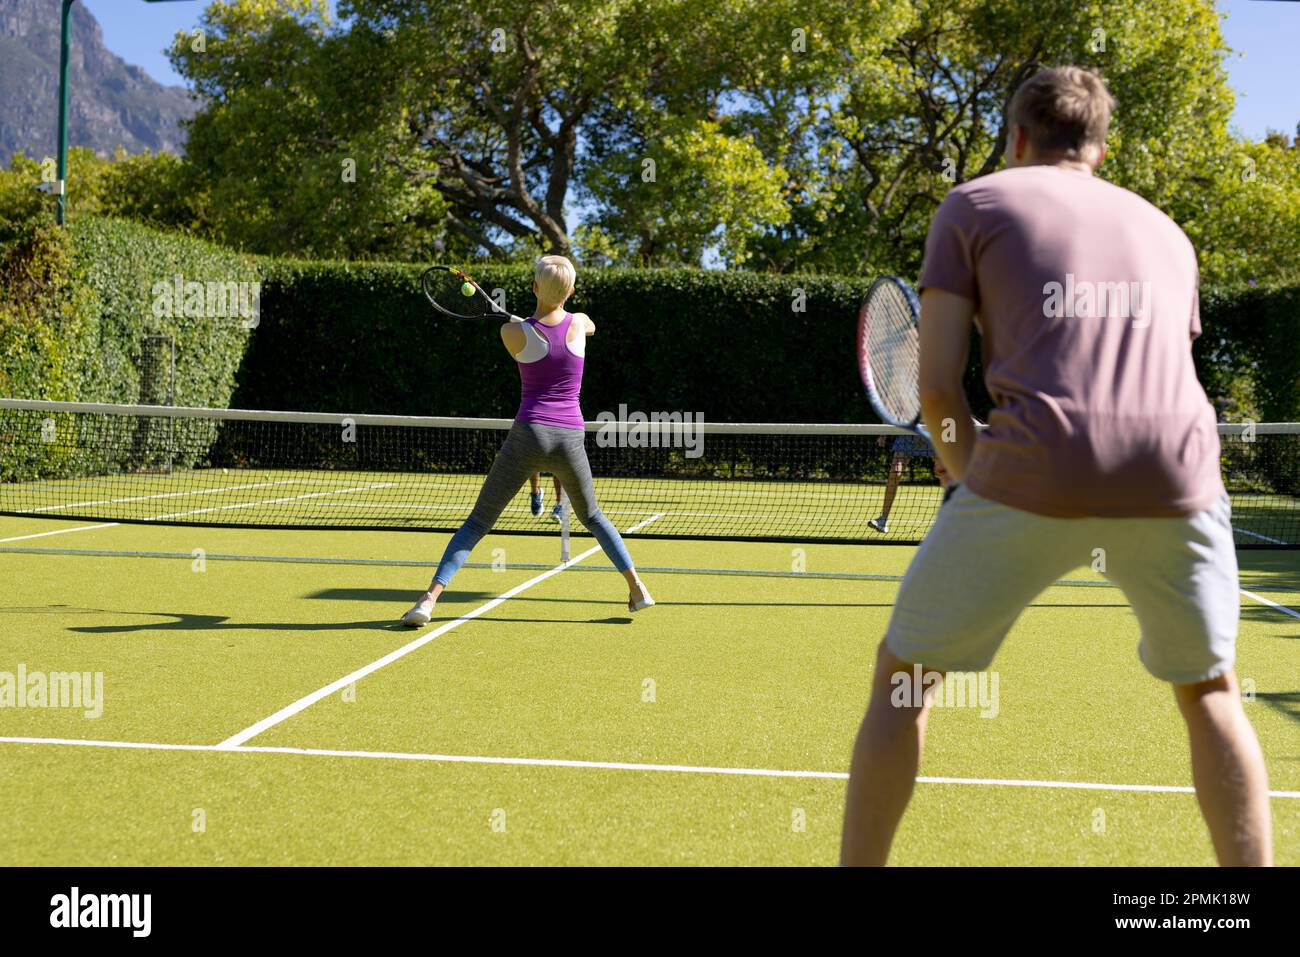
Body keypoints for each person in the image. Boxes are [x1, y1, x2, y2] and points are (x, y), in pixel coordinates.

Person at [840, 66, 1271, 866]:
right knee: (1213, 691)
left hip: (1032, 468)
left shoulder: (973, 203)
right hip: (1180, 471)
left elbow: (936, 386)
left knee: (903, 681)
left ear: (1017, 137)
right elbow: (1155, 372)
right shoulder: (1169, 232)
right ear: (1100, 148)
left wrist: (966, 468)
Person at [401, 256, 653, 626]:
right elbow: (587, 325)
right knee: (595, 517)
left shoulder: (511, 332)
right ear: (571, 291)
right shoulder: (580, 323)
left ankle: (427, 600)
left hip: (529, 434)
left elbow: (529, 337)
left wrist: (528, 319)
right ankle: (637, 588)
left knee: (476, 523)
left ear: (534, 287)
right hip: (570, 437)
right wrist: (555, 310)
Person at [869, 433, 950, 534]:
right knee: (895, 472)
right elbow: (895, 416)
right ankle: (882, 520)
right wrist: (883, 433)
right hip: (908, 432)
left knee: (945, 473)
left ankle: (952, 519)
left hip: (933, 429)